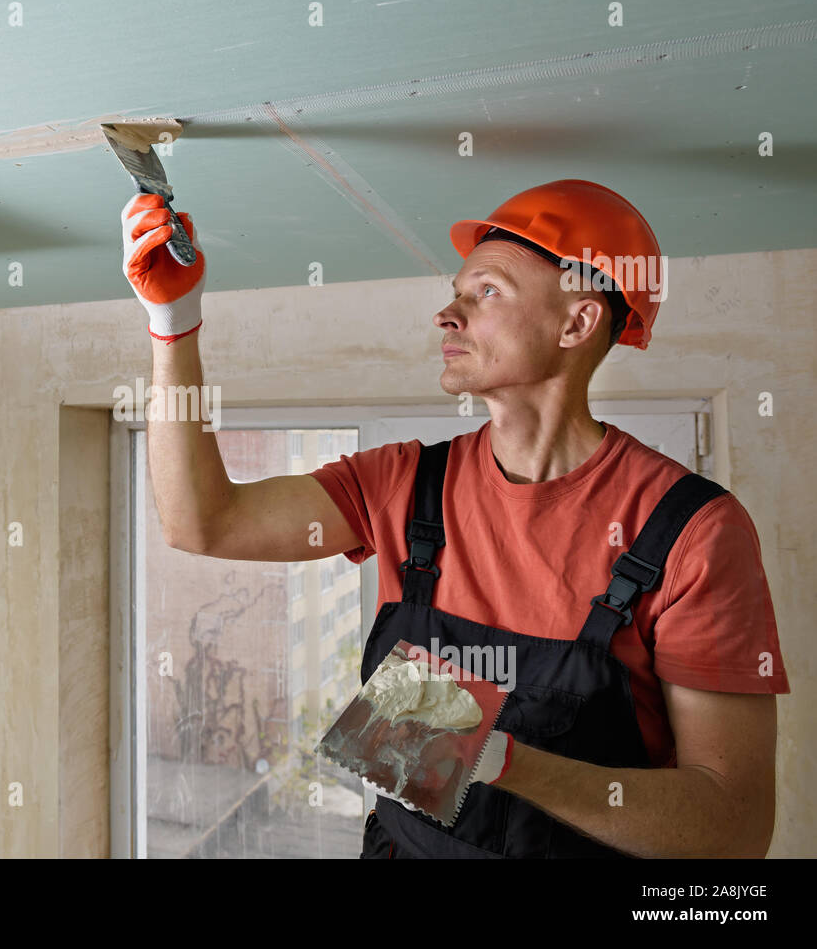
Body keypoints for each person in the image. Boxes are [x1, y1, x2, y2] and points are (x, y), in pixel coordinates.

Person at [119, 179, 789, 858]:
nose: (447, 313)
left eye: (485, 292)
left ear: (577, 323)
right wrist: (174, 322)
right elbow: (203, 522)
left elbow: (732, 827)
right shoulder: (406, 484)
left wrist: (497, 757)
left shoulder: (691, 531)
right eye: (457, 292)